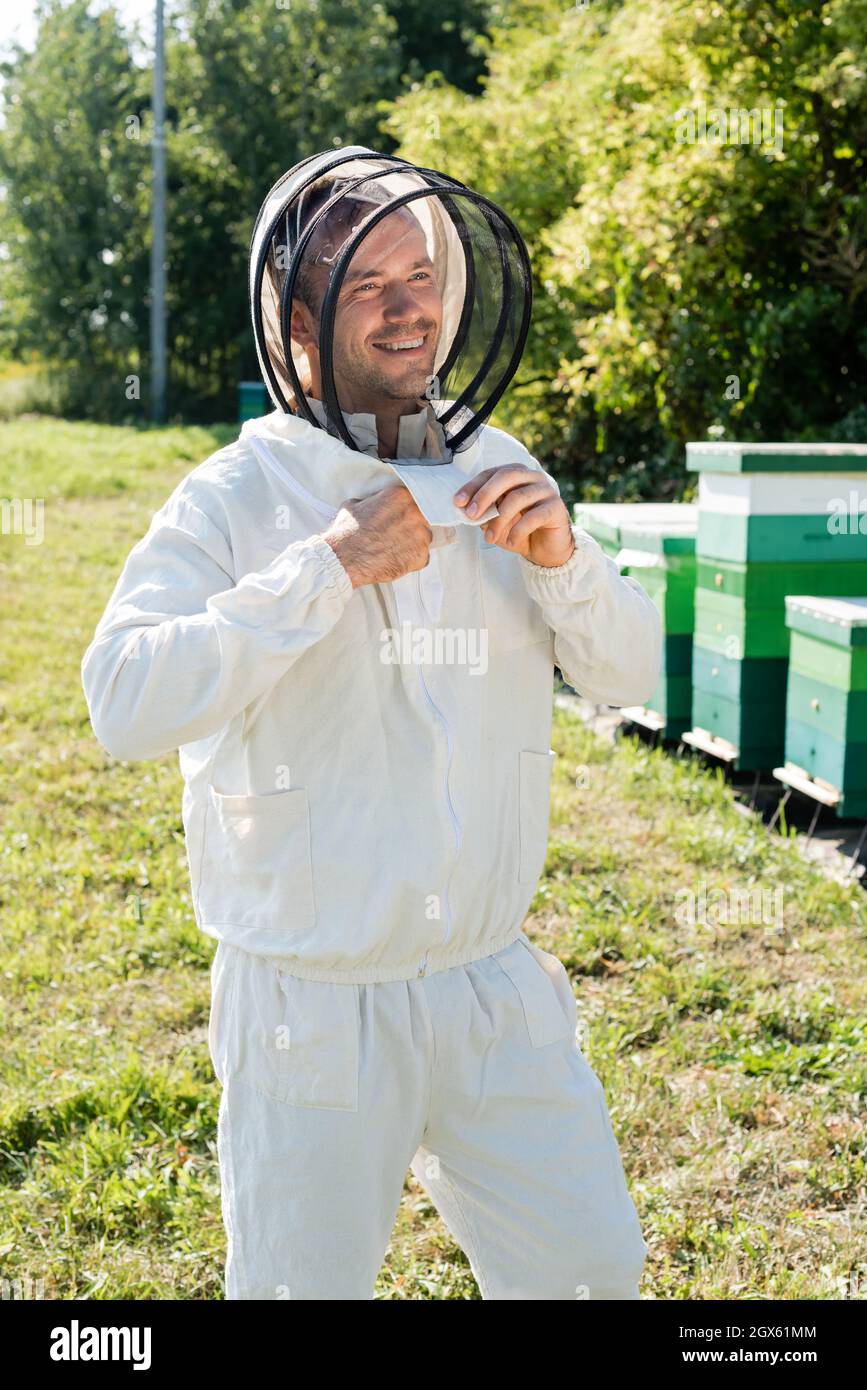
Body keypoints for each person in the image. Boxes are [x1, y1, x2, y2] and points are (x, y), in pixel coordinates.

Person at [81, 147, 662, 1300]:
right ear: (299, 320)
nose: (409, 308)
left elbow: (629, 676)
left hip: (490, 985)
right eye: (367, 284)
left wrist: (567, 562)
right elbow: (122, 697)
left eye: (421, 274)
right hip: (313, 1004)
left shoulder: (502, 466)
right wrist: (324, 569)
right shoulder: (238, 496)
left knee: (591, 1274)